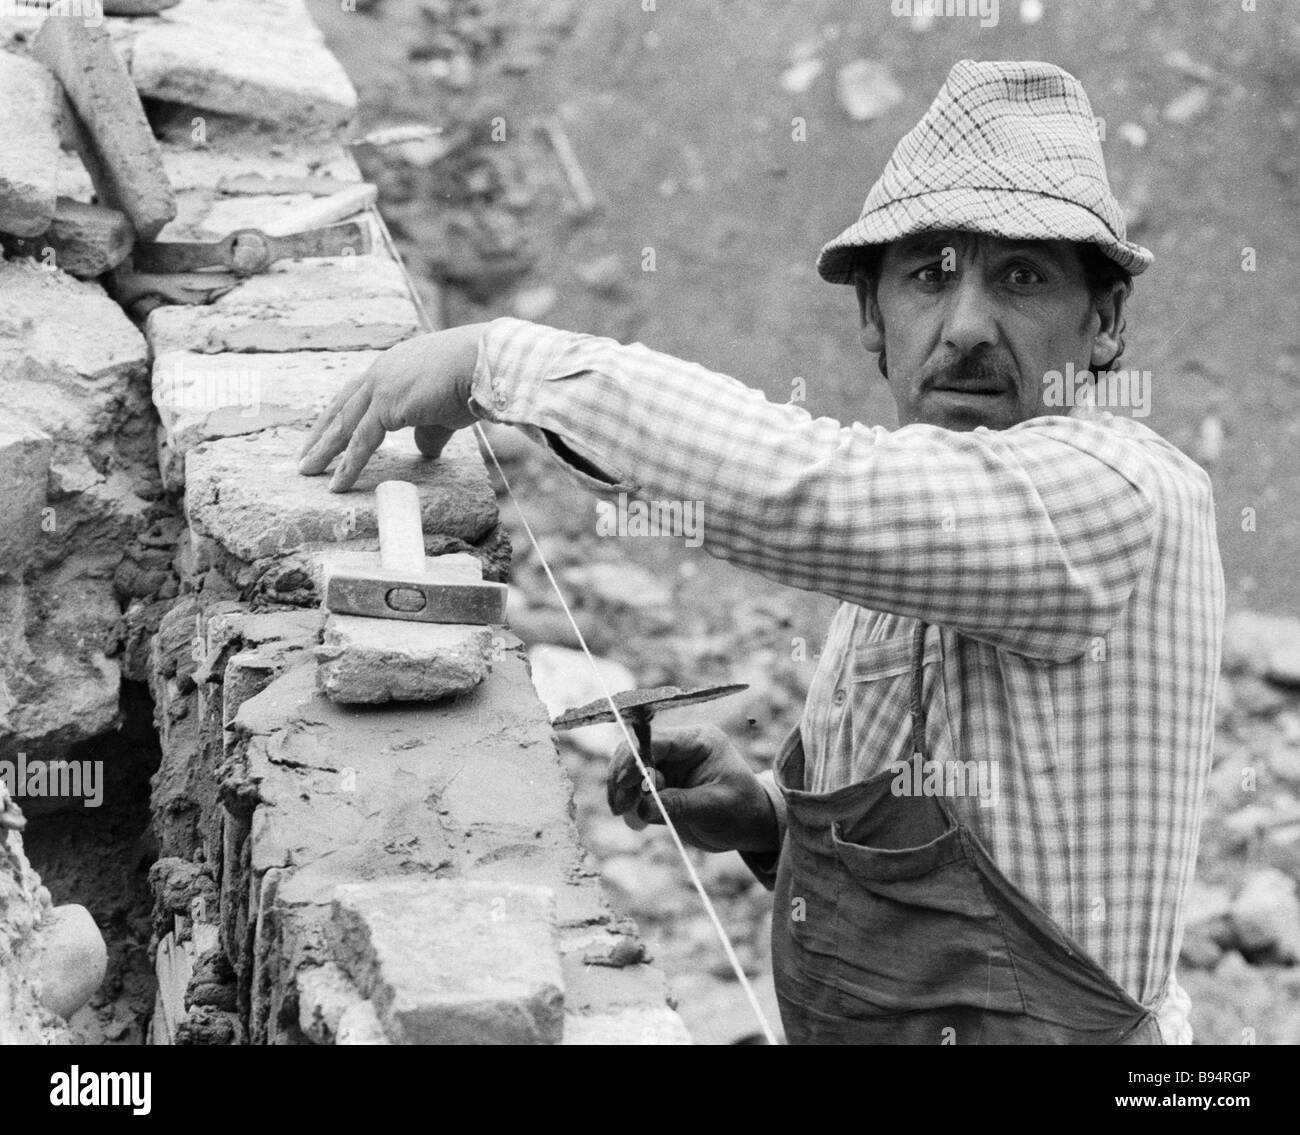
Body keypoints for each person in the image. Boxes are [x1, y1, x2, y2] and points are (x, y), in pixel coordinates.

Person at [298, 60, 1223, 1044]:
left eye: (1022, 278)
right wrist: (770, 826)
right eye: (928, 277)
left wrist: (498, 358)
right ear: (872, 315)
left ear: (1105, 320)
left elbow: (806, 488)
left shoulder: (1119, 492)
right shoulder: (924, 529)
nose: (964, 327)